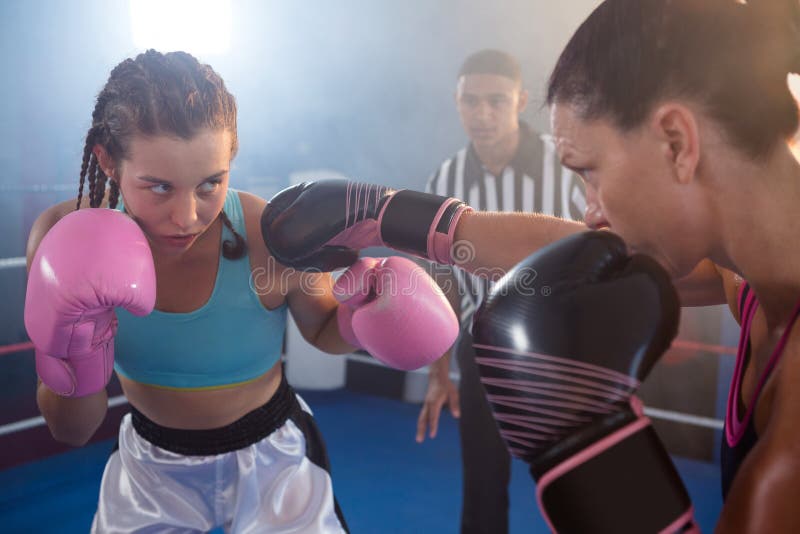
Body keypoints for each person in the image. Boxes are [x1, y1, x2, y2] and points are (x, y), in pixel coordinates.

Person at [260, 0, 800, 529]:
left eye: (590, 171)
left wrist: (598, 461)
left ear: (677, 142)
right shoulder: (747, 277)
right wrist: (387, 216)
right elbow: (580, 255)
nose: (590, 213)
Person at [23, 49, 459, 533]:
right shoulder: (64, 237)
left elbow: (321, 330)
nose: (188, 216)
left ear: (232, 156)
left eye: (211, 183)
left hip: (274, 457)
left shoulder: (270, 231)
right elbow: (72, 428)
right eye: (159, 187)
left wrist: (362, 314)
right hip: (151, 468)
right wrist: (77, 343)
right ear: (107, 161)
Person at [414, 49, 584, 534]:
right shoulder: (444, 182)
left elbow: (608, 248)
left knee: (580, 483)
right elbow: (442, 283)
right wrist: (438, 372)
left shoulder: (568, 163)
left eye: (496, 101)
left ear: (521, 100)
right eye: (471, 102)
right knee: (483, 485)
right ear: (457, 102)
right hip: (484, 347)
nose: (482, 114)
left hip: (565, 350)